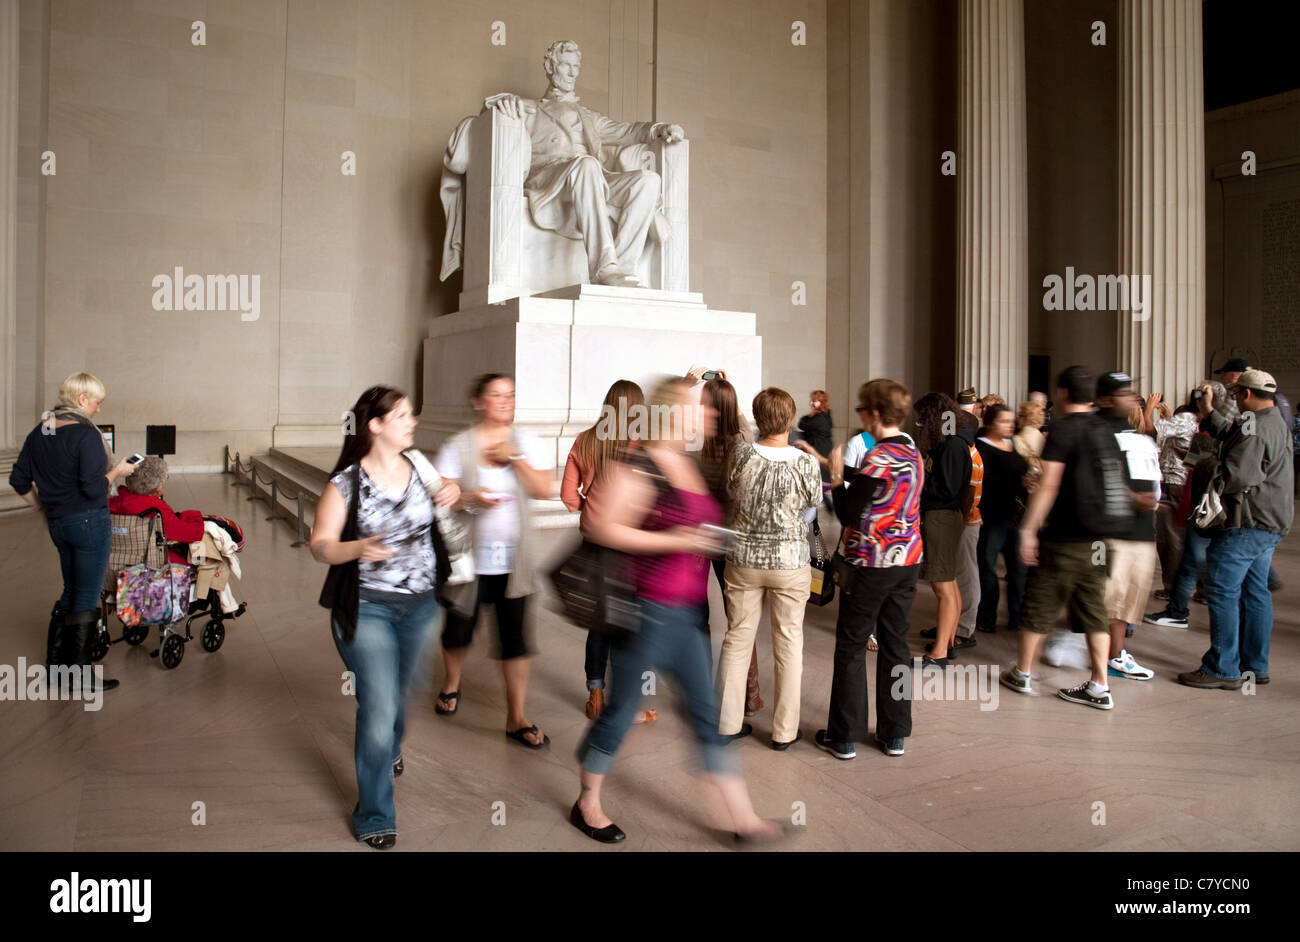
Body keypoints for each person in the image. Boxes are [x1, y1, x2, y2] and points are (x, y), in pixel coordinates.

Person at [571, 377, 780, 844]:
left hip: (686, 612)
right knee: (623, 709)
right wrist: (677, 540)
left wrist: (711, 537)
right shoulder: (639, 465)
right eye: (697, 408)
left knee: (705, 713)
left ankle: (743, 819)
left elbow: (694, 523)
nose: (706, 416)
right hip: (644, 611)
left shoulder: (686, 463)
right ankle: (586, 800)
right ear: (671, 413)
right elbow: (600, 526)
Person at [310, 385, 458, 849]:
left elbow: (449, 498)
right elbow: (321, 545)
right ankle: (375, 813)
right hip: (368, 607)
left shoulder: (420, 466)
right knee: (378, 710)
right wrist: (358, 548)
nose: (412, 421)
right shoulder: (346, 484)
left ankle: (391, 748)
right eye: (402, 415)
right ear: (374, 425)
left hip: (421, 604)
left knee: (401, 698)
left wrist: (456, 490)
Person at [1002, 366, 1155, 711]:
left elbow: (1050, 483)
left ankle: (1023, 673)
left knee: (1039, 603)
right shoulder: (1105, 430)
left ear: (1064, 394)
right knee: (1094, 610)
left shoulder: (1062, 430)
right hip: (1101, 540)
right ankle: (1099, 684)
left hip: (1065, 537)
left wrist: (1028, 529)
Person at [474, 41, 686, 287]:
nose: (573, 73)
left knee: (649, 181)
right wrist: (505, 101)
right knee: (587, 165)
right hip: (549, 177)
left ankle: (623, 268)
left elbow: (628, 131)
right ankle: (603, 268)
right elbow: (489, 109)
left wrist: (660, 129)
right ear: (550, 67)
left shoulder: (589, 117)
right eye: (566, 65)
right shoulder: (531, 108)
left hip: (591, 177)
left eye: (576, 66)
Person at [433, 374, 555, 748]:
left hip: (514, 563)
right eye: (496, 395)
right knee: (458, 630)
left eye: (511, 395)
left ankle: (516, 716)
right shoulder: (458, 445)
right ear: (478, 401)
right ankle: (452, 683)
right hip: (467, 561)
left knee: (515, 639)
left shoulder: (528, 444)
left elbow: (543, 489)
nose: (505, 401)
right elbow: (441, 494)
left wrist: (514, 458)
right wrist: (471, 497)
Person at [816, 379, 922, 760]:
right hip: (908, 561)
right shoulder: (911, 449)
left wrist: (834, 476)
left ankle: (844, 736)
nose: (860, 416)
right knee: (896, 644)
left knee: (852, 645)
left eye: (862, 410)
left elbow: (847, 511)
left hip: (871, 564)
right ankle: (895, 733)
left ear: (875, 413)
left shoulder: (879, 458)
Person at [10, 372, 136, 692]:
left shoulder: (40, 433)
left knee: (70, 590)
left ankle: (56, 668)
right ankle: (77, 677)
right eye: (97, 403)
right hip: (88, 522)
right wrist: (118, 471)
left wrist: (42, 508)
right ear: (82, 400)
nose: (97, 410)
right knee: (85, 595)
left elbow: (19, 481)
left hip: (58, 523)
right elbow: (94, 489)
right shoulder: (86, 435)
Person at [717, 388, 822, 749]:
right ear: (791, 420)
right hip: (789, 562)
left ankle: (728, 723)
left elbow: (733, 492)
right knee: (789, 644)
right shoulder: (805, 461)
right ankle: (784, 732)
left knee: (737, 638)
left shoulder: (742, 453)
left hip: (745, 558)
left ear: (758, 418)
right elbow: (813, 506)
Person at [1178, 370, 1294, 689]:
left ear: (1245, 394)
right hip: (1269, 523)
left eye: (1237, 394)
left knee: (1222, 589)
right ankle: (1254, 666)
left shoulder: (1255, 427)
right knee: (1255, 592)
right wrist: (1209, 413)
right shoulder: (1272, 420)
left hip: (1247, 523)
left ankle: (1222, 667)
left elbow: (1236, 475)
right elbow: (1233, 435)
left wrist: (1202, 466)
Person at [561, 379, 655, 724]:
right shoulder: (643, 444)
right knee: (632, 624)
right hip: (632, 544)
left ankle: (595, 693)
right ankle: (636, 700)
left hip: (595, 544)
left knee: (599, 622)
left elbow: (569, 497)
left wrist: (591, 507)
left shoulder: (586, 440)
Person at [695, 370, 763, 713]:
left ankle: (709, 691)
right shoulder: (742, 440)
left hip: (705, 537)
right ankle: (747, 696)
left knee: (703, 616)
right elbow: (742, 424)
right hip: (730, 539)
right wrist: (729, 389)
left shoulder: (708, 444)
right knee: (737, 617)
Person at [1095, 373, 1161, 682]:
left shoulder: (1139, 436)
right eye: (1125, 393)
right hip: (1112, 533)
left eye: (1133, 393)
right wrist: (1132, 497)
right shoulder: (1097, 434)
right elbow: (1094, 482)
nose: (1133, 398)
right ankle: (1096, 659)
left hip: (1142, 532)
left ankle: (1115, 656)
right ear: (1106, 400)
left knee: (1126, 602)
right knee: (1106, 597)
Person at [913, 392, 971, 666]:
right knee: (949, 583)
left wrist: (919, 483)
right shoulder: (951, 444)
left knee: (942, 586)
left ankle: (939, 653)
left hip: (941, 517)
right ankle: (947, 641)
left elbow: (944, 488)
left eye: (923, 418)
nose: (919, 423)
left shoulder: (953, 447)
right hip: (945, 517)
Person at [973, 404, 1030, 633]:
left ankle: (1017, 616)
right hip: (991, 515)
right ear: (990, 423)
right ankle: (987, 618)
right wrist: (1018, 481)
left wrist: (1026, 482)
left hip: (1014, 517)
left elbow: (1020, 471)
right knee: (988, 567)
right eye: (1004, 421)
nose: (1010, 425)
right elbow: (986, 481)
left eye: (1011, 420)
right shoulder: (981, 448)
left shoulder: (1011, 444)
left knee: (1018, 569)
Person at [108, 457, 206, 564]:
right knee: (203, 541)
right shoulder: (155, 508)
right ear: (158, 488)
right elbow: (193, 534)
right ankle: (200, 575)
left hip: (112, 563)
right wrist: (194, 515)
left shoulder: (112, 500)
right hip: (151, 564)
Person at [796, 390, 834, 461]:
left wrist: (807, 417)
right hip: (823, 451)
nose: (811, 403)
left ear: (821, 402)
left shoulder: (819, 418)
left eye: (814, 401)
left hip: (818, 452)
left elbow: (802, 424)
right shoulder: (826, 416)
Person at [1014, 400, 1046, 473]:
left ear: (1026, 418)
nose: (1017, 418)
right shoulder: (1042, 438)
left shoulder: (1017, 439)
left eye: (1020, 415)